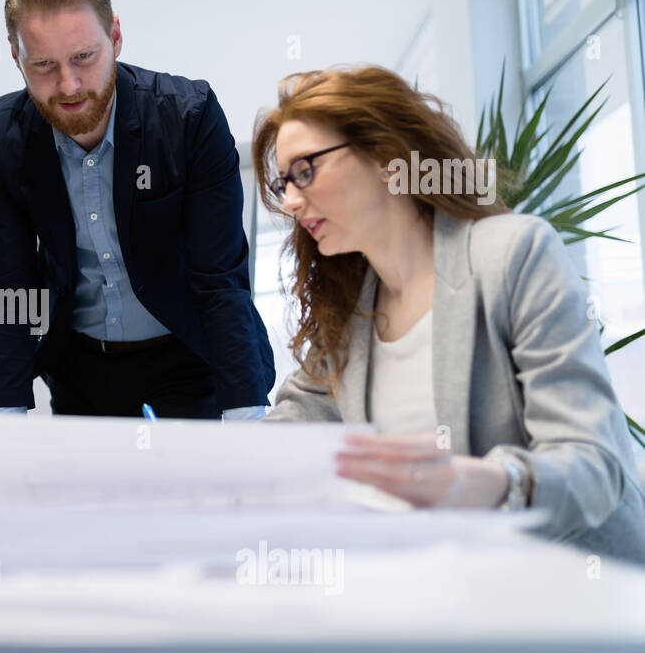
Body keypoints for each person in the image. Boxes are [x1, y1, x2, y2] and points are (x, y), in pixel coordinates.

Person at [254, 65, 645, 562]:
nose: (289, 200)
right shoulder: (351, 309)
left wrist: (484, 482)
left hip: (574, 593)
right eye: (284, 181)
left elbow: (596, 466)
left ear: (387, 158)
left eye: (305, 170)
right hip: (449, 593)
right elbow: (287, 429)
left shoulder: (514, 255)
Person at [0, 0, 275, 419]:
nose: (69, 85)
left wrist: (246, 412)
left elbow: (219, 280)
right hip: (79, 365)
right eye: (44, 65)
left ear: (115, 36)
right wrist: (2, 416)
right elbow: (10, 284)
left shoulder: (188, 118)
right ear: (15, 57)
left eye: (84, 56)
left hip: (191, 354)